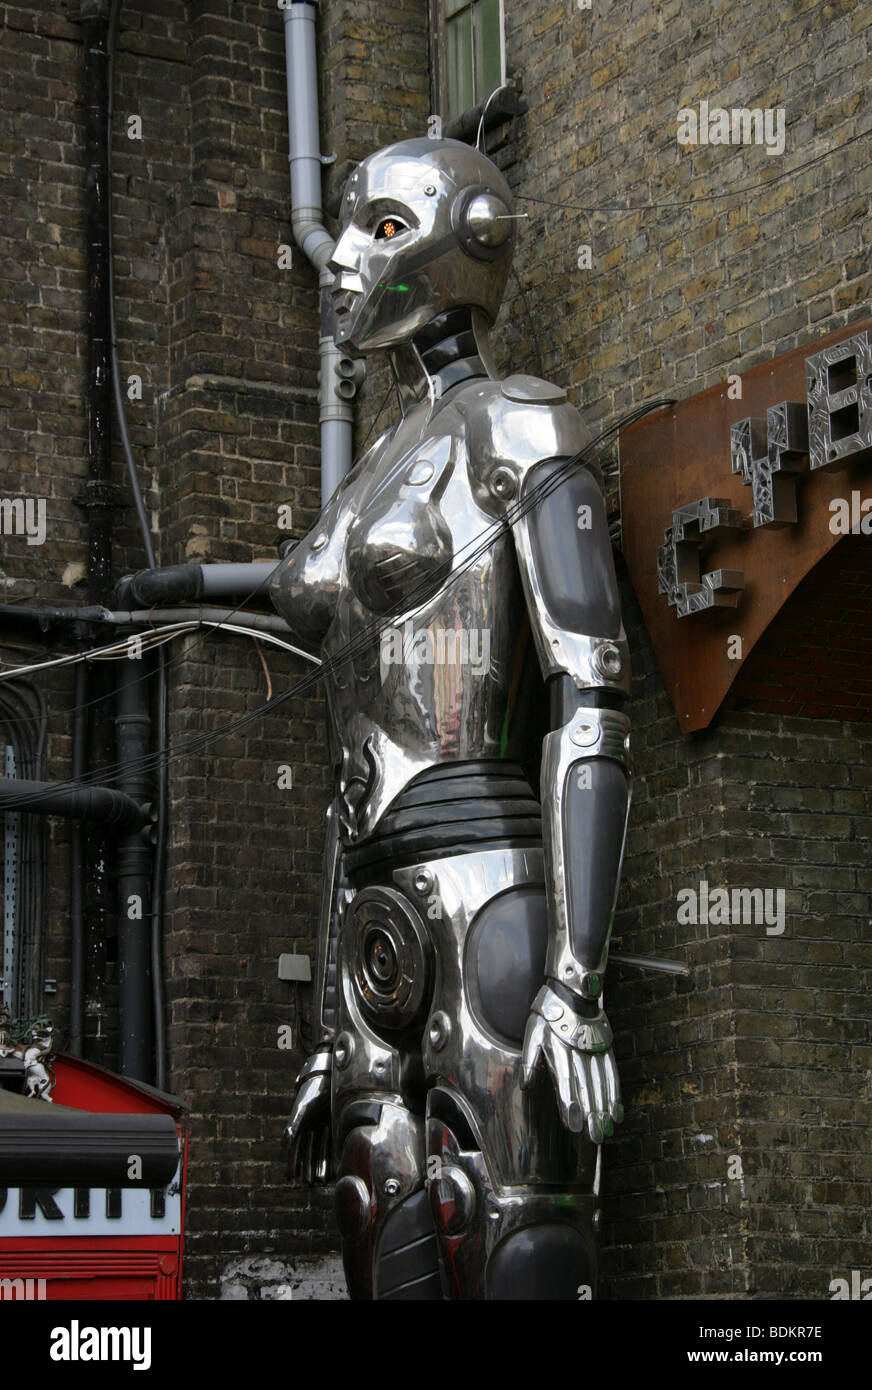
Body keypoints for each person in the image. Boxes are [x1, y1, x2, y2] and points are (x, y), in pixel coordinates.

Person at [275, 137, 631, 1300]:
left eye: (379, 228)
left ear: (459, 243)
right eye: (346, 225)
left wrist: (577, 976)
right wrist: (331, 1007)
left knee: (513, 1224)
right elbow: (350, 736)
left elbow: (588, 689)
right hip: (373, 905)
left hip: (485, 879)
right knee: (373, 1215)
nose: (340, 259)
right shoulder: (365, 477)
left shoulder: (518, 427)